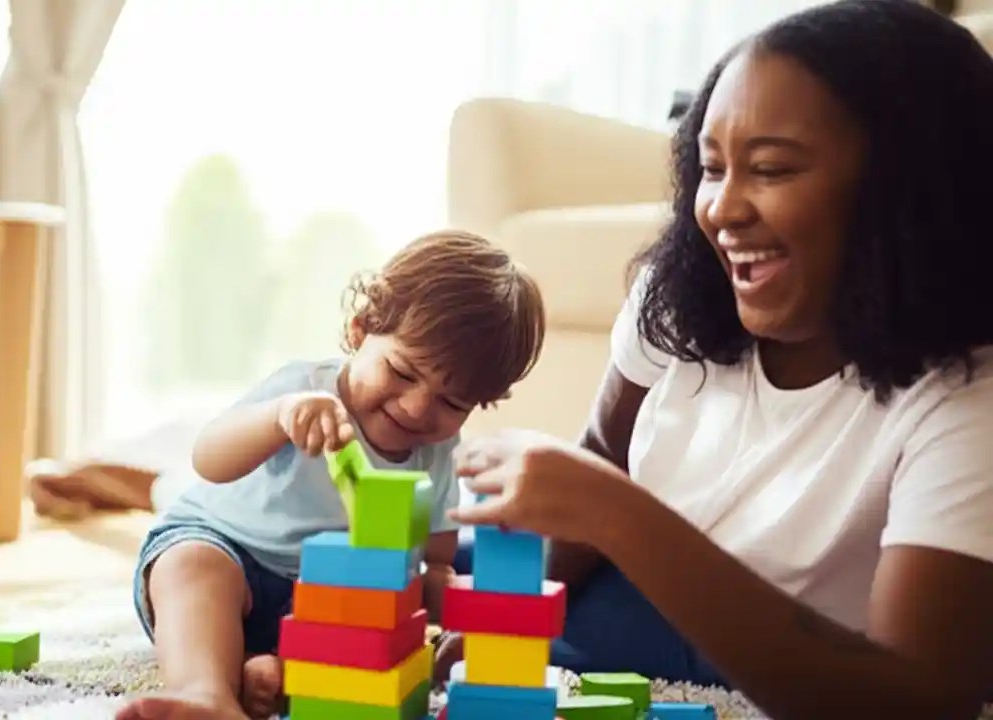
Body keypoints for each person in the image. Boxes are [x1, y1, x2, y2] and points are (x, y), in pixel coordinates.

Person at [439, 2, 993, 718]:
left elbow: (921, 698)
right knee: (410, 565)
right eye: (710, 167)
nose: (721, 210)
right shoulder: (682, 296)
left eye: (769, 169)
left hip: (808, 659)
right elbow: (606, 450)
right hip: (625, 599)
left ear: (907, 188)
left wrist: (618, 516)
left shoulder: (968, 399)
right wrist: (509, 620)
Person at [114, 231, 546, 720]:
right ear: (362, 330)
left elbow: (432, 563)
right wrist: (279, 417)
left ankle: (262, 671)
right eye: (403, 372)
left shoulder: (440, 453)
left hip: (329, 606)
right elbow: (208, 459)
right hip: (232, 555)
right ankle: (204, 692)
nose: (416, 408)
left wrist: (476, 622)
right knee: (192, 563)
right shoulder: (304, 390)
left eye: (453, 403)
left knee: (359, 653)